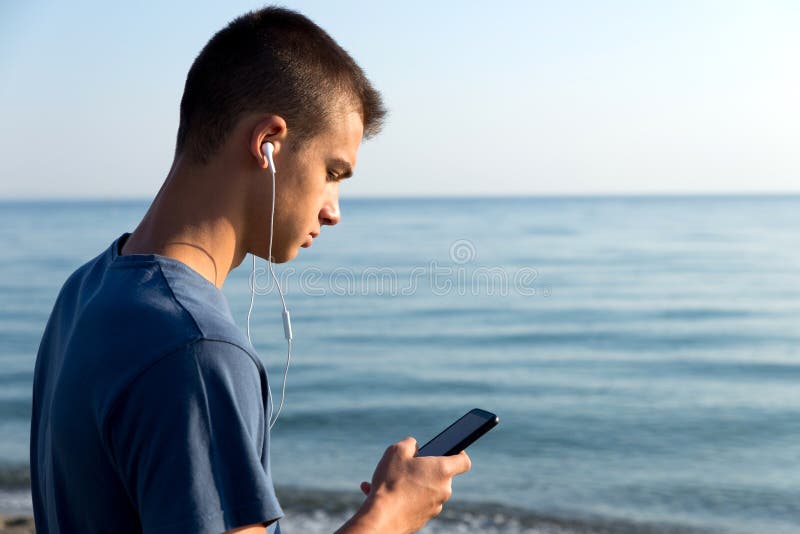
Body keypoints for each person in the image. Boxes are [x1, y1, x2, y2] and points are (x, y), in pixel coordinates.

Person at [29, 6, 471, 534]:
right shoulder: (194, 350)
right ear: (267, 143)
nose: (334, 209)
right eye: (333, 172)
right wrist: (391, 515)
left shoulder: (86, 289)